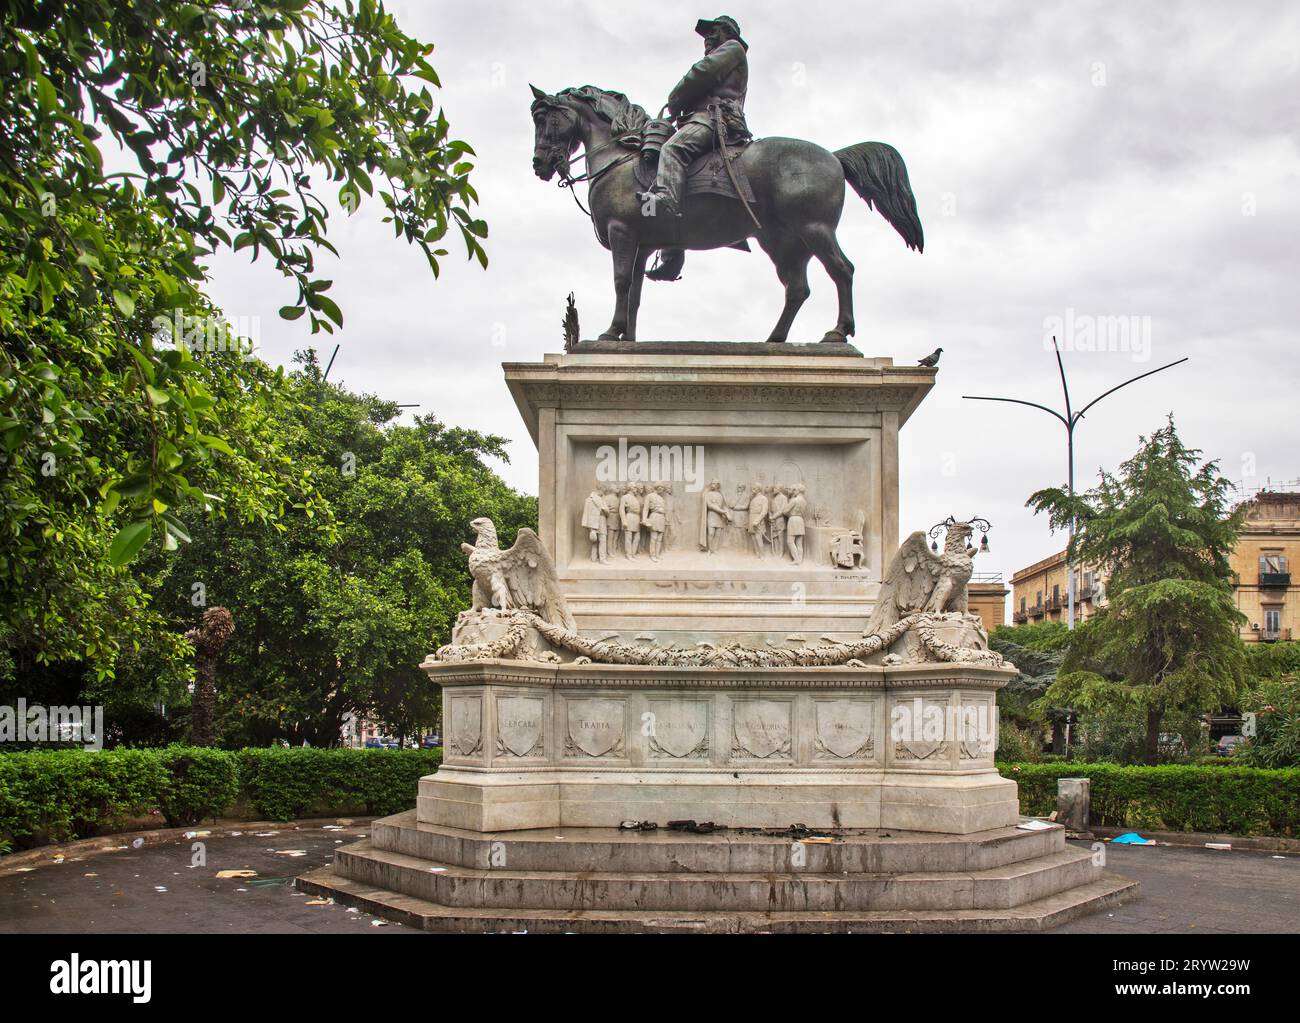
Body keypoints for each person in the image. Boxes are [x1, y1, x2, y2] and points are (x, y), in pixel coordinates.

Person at [640, 15, 750, 222]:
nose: (708, 36)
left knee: (672, 150)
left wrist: (675, 100)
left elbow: (702, 74)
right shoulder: (730, 51)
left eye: (715, 31)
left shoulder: (733, 48)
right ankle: (672, 251)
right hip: (701, 117)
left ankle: (666, 200)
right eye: (707, 33)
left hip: (712, 119)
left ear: (729, 33)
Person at [698, 478, 728, 553]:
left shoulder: (720, 495)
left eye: (714, 483)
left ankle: (714, 549)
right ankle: (710, 549)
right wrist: (723, 511)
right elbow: (710, 505)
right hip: (712, 515)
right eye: (712, 483)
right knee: (711, 533)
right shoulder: (708, 494)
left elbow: (723, 506)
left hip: (719, 517)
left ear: (718, 485)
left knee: (718, 534)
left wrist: (726, 514)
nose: (712, 485)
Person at [582, 486, 610, 562]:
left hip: (602, 520)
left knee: (603, 539)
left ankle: (602, 559)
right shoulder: (589, 500)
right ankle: (594, 558)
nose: (603, 493)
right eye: (603, 491)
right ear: (599, 490)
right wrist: (590, 528)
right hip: (593, 522)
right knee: (594, 540)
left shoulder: (602, 499)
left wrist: (605, 510)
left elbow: (608, 512)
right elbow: (586, 514)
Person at [643, 483, 668, 561]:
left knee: (660, 538)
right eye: (660, 487)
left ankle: (657, 554)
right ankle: (652, 555)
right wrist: (644, 519)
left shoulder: (661, 498)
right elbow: (646, 508)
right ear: (656, 487)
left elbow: (665, 510)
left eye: (662, 487)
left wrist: (666, 518)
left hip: (661, 517)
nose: (661, 489)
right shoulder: (650, 496)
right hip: (654, 516)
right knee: (654, 537)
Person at [785, 483, 807, 565]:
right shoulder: (804, 501)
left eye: (795, 490)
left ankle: (796, 559)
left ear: (798, 490)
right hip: (800, 520)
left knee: (790, 541)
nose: (794, 492)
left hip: (793, 519)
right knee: (799, 542)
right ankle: (800, 560)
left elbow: (785, 510)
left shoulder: (795, 500)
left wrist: (789, 514)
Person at [620, 483, 644, 558]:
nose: (636, 489)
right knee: (628, 537)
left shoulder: (636, 498)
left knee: (637, 537)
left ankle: (633, 553)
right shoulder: (625, 497)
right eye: (634, 487)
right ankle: (628, 555)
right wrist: (624, 520)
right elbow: (621, 510)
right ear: (630, 488)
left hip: (636, 518)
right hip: (629, 517)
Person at [746, 482, 768, 558]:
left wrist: (757, 520)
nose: (753, 489)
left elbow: (764, 511)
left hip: (758, 520)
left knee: (758, 538)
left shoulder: (764, 498)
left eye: (754, 488)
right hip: (751, 519)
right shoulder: (753, 498)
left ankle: (762, 555)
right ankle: (757, 554)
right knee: (753, 538)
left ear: (759, 489)